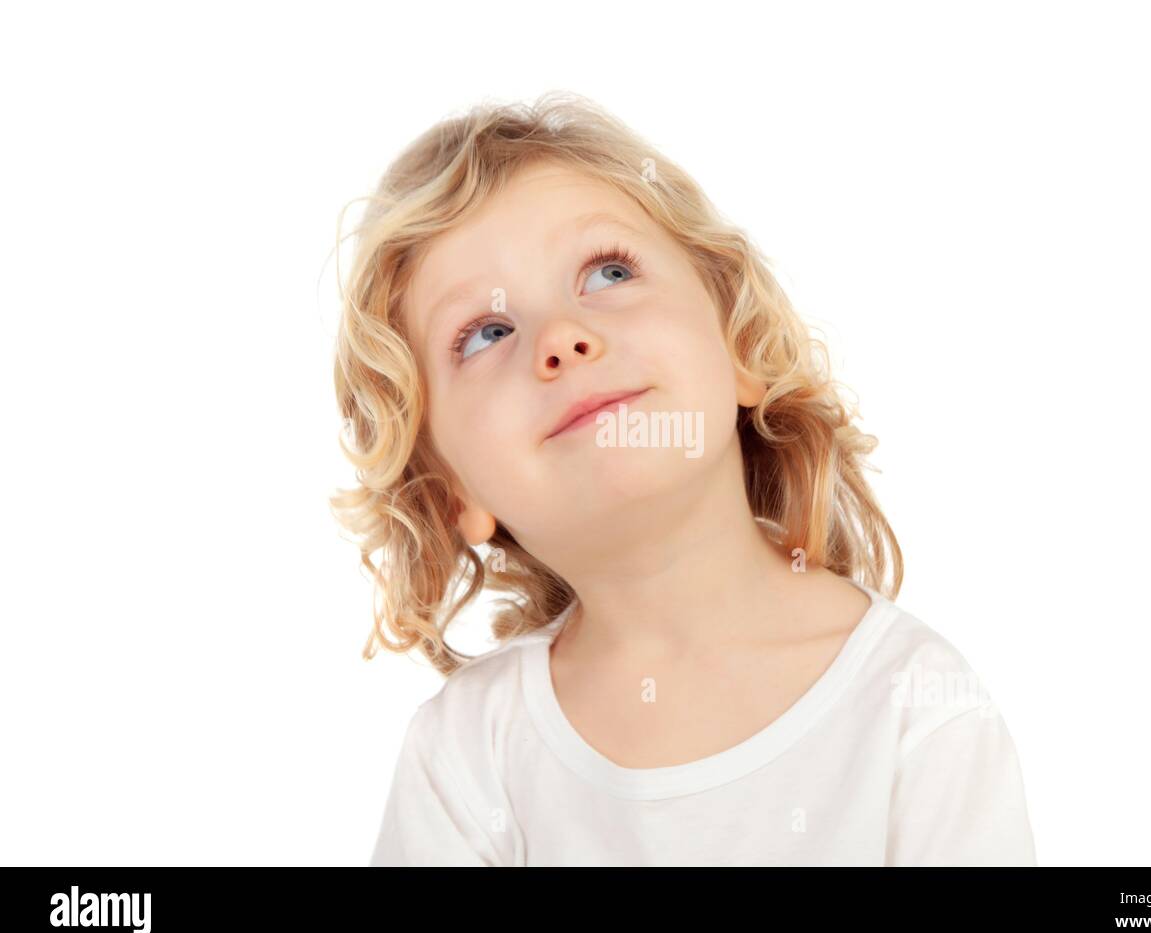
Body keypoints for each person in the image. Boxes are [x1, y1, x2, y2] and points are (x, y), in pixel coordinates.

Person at [331, 91, 1037, 866]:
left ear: (739, 346)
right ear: (450, 493)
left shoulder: (917, 708)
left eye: (606, 272)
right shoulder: (467, 755)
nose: (562, 338)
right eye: (487, 332)